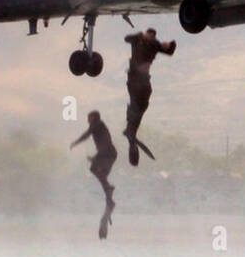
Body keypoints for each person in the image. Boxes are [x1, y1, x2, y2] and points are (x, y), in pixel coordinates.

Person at [124, 27, 175, 165]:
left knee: (142, 103)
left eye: (152, 37)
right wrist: (139, 35)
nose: (150, 39)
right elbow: (126, 39)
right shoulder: (137, 40)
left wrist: (171, 44)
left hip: (143, 78)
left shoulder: (154, 44)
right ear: (145, 34)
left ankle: (130, 131)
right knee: (137, 103)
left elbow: (169, 52)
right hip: (134, 77)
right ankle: (130, 130)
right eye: (149, 36)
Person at [70, 110, 117, 239]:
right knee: (98, 172)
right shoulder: (98, 126)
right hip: (108, 154)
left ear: (94, 118)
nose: (87, 121)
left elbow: (88, 136)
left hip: (108, 154)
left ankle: (108, 189)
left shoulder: (98, 125)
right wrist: (96, 157)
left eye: (89, 118)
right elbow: (103, 143)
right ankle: (108, 191)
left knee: (96, 170)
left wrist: (76, 142)